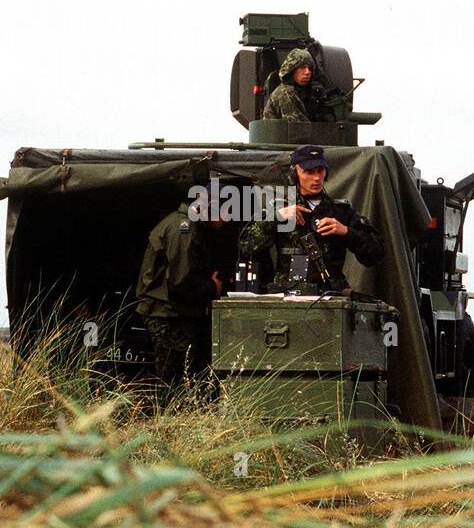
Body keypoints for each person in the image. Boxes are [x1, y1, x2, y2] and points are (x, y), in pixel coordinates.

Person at [239, 144, 384, 295]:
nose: (316, 178)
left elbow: (376, 254)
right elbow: (246, 246)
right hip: (288, 295)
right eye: (308, 172)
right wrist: (277, 218)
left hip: (331, 296)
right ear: (296, 174)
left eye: (320, 171)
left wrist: (347, 232)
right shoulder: (280, 209)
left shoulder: (341, 211)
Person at [135, 198, 239, 387]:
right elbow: (180, 281)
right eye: (226, 211)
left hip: (171, 311)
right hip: (169, 315)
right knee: (173, 381)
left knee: (178, 377)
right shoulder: (184, 228)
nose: (226, 218)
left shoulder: (184, 223)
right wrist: (212, 286)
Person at [261, 48, 348, 122]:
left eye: (310, 68)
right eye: (302, 67)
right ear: (292, 69)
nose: (307, 72)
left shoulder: (306, 92)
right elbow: (299, 128)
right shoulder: (285, 93)